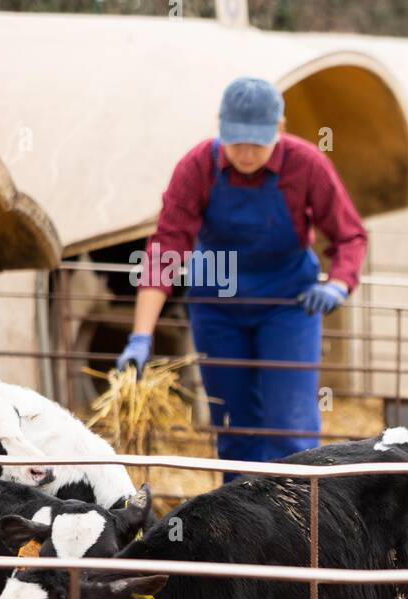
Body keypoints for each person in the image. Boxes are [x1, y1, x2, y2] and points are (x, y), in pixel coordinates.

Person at [118, 77, 367, 473]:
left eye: (258, 142)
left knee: (290, 424)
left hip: (288, 304)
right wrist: (141, 335)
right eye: (236, 142)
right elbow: (166, 247)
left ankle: (299, 519)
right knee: (234, 424)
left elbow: (350, 234)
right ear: (219, 126)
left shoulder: (307, 164)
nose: (247, 154)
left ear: (280, 129)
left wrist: (338, 284)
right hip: (217, 306)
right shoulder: (196, 166)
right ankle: (241, 518)